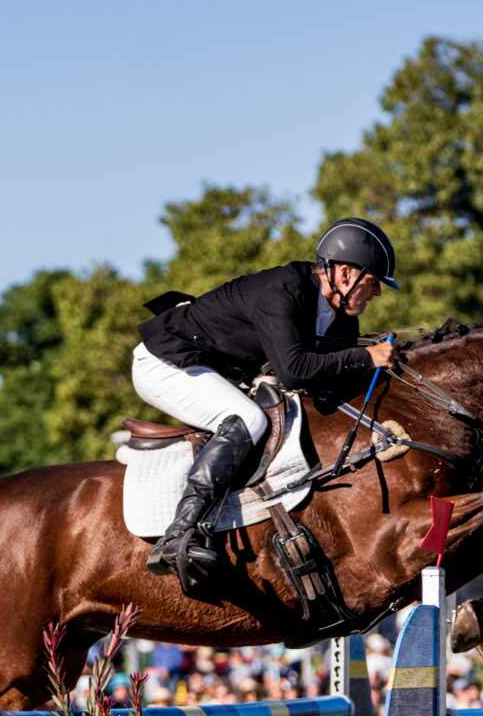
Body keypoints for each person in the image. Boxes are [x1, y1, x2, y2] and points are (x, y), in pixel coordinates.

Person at [131, 218, 399, 581]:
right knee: (248, 419)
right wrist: (367, 357)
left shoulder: (339, 320)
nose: (377, 294)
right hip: (166, 362)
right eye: (373, 283)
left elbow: (327, 385)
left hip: (214, 370)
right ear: (346, 274)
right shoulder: (283, 290)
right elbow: (294, 370)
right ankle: (179, 533)